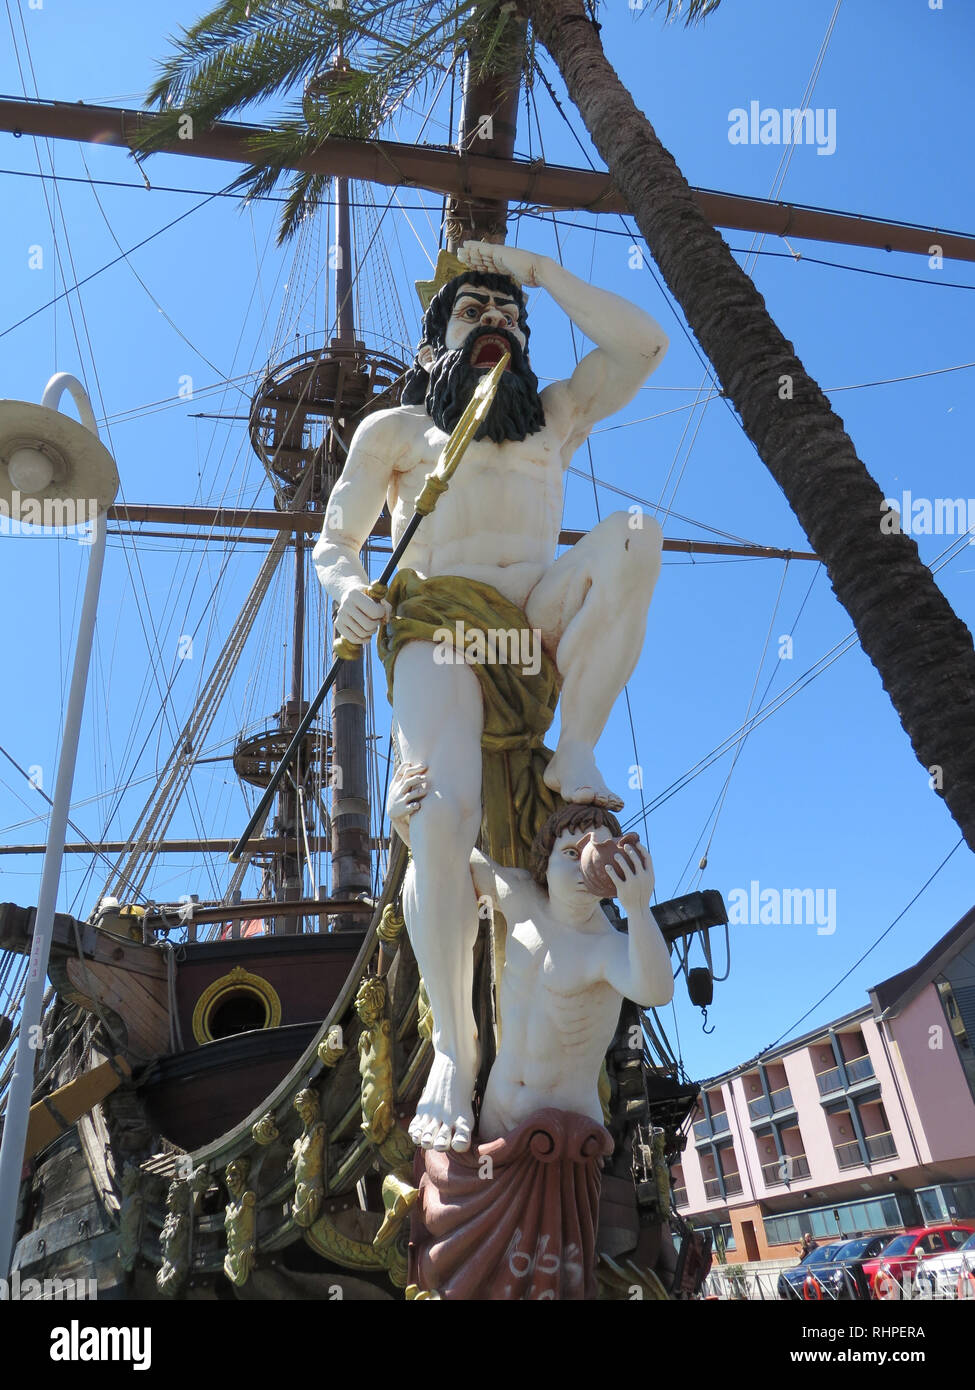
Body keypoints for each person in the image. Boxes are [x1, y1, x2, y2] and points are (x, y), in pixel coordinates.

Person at [314, 241, 668, 1151]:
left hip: (529, 628)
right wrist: (349, 591)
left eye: (511, 317)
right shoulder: (397, 433)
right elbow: (335, 539)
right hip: (439, 624)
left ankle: (577, 747)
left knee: (632, 534)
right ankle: (457, 1052)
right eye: (476, 312)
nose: (497, 324)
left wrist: (541, 274)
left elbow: (643, 348)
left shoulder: (552, 418)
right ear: (439, 339)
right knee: (439, 811)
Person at [387, 764, 674, 1140]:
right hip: (497, 1114)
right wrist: (400, 817)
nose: (584, 865)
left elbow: (656, 990)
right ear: (546, 860)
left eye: (599, 854)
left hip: (566, 1134)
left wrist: (638, 907)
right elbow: (442, 863)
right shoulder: (522, 900)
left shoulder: (608, 946)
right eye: (571, 852)